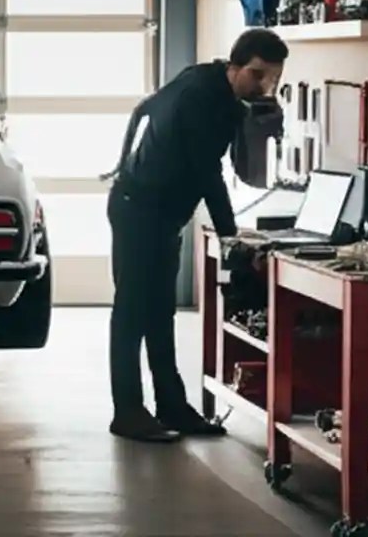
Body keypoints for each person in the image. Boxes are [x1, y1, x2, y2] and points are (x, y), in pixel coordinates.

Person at [106, 28, 287, 443]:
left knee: (160, 312)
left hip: (161, 213)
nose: (264, 86)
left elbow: (145, 108)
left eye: (273, 78)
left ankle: (172, 407)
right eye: (258, 75)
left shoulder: (208, 81)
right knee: (133, 313)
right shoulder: (202, 99)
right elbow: (209, 174)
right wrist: (230, 237)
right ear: (235, 65)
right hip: (139, 210)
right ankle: (128, 412)